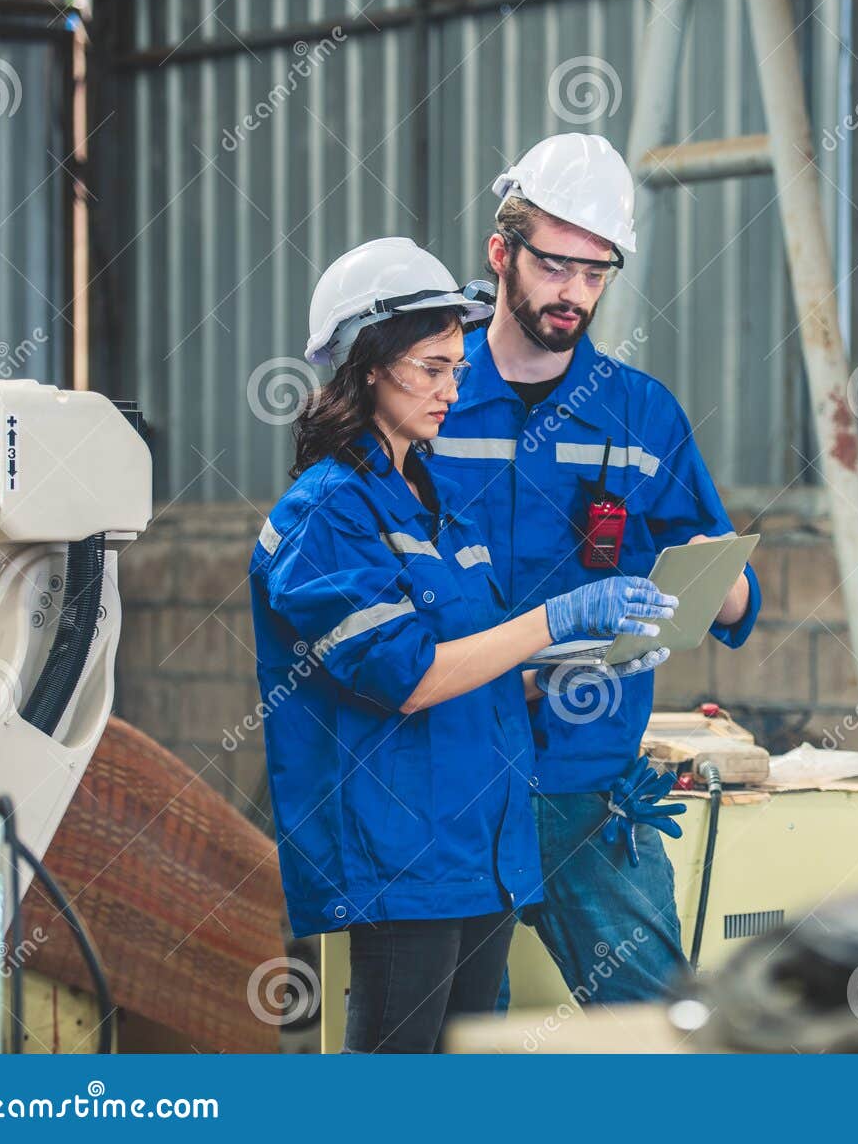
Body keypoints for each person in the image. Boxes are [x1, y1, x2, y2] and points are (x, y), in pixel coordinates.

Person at [248, 237, 677, 1051]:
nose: (454, 388)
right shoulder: (327, 515)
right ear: (367, 365)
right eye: (431, 368)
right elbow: (408, 679)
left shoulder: (434, 497)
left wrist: (582, 668)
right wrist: (556, 619)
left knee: (462, 1072)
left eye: (456, 367)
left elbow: (478, 668)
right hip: (404, 852)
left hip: (480, 844)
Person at [433, 135, 761, 1003]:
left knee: (657, 1024)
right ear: (501, 253)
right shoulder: (430, 392)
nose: (574, 292)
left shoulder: (641, 414)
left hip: (588, 780)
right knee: (447, 1039)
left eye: (596, 271)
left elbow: (728, 589)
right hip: (449, 780)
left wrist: (708, 588)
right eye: (555, 266)